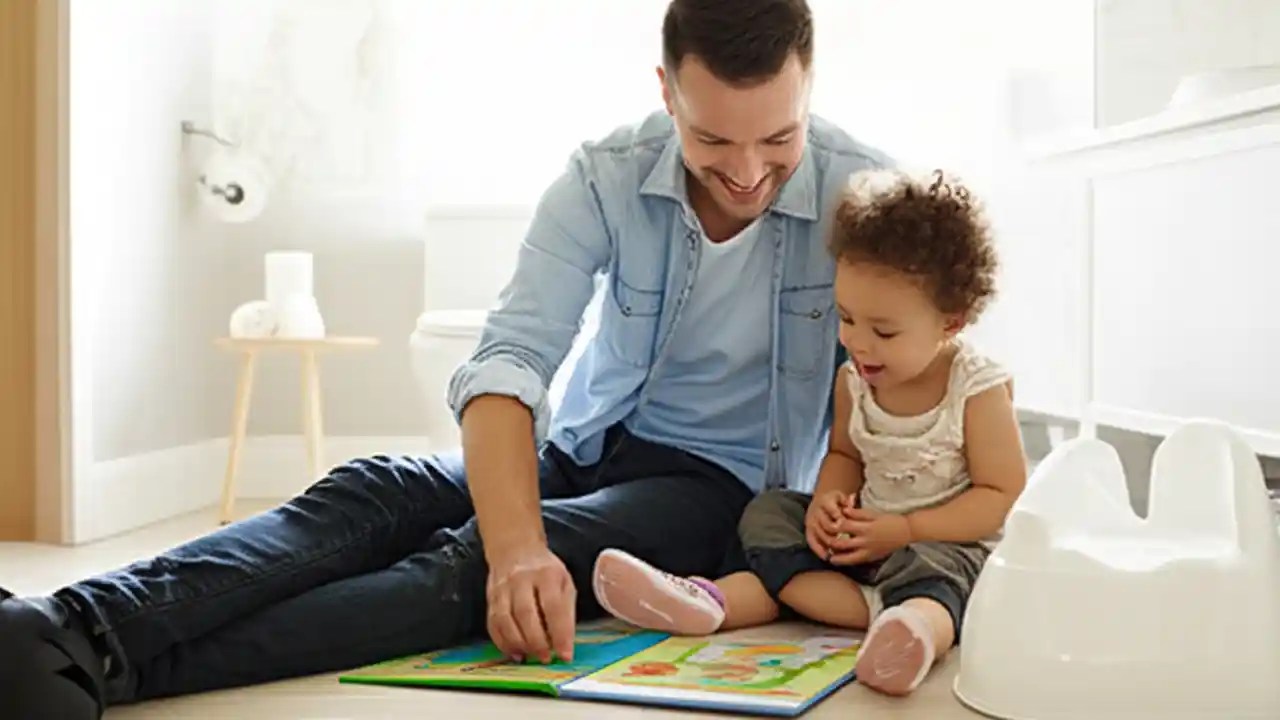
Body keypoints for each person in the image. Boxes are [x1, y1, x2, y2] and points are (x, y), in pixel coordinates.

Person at [0, 1, 893, 717]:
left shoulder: (866, 195)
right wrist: (520, 550)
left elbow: (922, 376)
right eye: (713, 142)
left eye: (779, 140)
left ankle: (99, 669)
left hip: (719, 491)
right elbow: (511, 359)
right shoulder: (607, 175)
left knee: (459, 564)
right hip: (588, 444)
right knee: (375, 489)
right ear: (667, 93)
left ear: (808, 90)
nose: (745, 171)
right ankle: (72, 620)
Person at [591, 167, 1028, 697]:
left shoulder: (975, 390)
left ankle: (911, 630)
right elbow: (845, 452)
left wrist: (907, 530)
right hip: (864, 539)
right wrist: (827, 502)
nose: (859, 343)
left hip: (935, 544)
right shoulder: (856, 379)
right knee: (770, 513)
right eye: (846, 318)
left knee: (945, 577)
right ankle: (709, 602)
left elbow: (1001, 497)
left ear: (951, 323)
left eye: (883, 330)